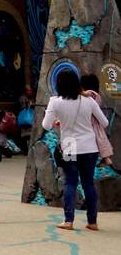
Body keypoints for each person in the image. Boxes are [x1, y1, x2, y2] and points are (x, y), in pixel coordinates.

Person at [44, 69, 109, 231]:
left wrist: (58, 121)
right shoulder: (88, 101)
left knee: (70, 182)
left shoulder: (55, 101)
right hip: (89, 146)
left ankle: (68, 221)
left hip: (70, 144)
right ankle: (92, 222)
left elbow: (46, 125)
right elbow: (105, 122)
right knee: (88, 183)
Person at [79, 73, 114, 167]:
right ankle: (105, 158)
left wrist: (81, 92)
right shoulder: (97, 95)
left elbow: (86, 96)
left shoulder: (91, 94)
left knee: (99, 139)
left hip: (92, 122)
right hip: (95, 122)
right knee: (101, 139)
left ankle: (105, 158)